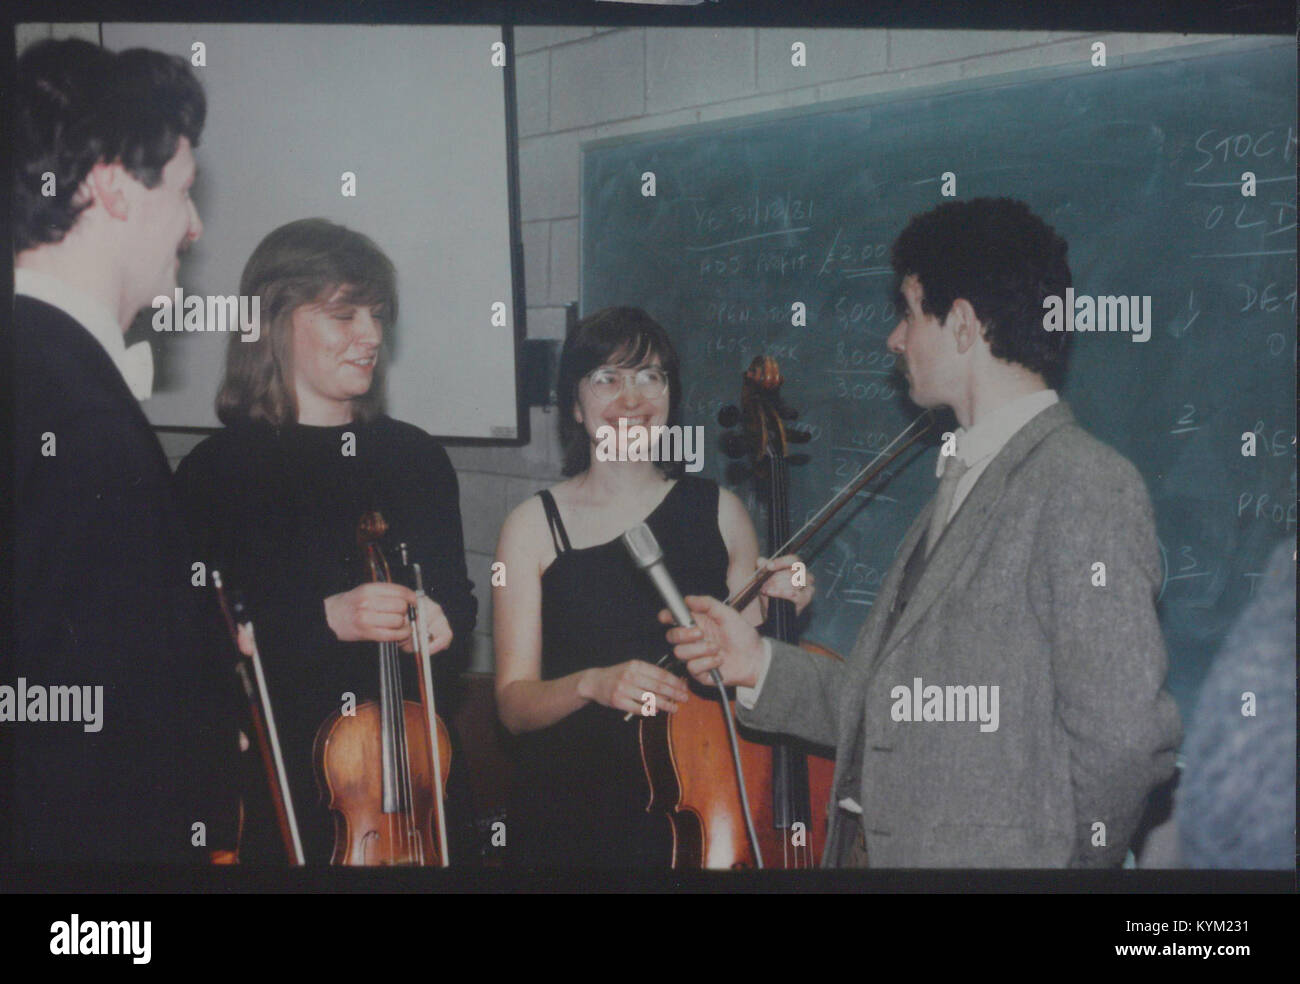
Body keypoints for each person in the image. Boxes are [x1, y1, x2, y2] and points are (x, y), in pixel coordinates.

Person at [665, 198, 1183, 868]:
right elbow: (895, 709)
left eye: (909, 311)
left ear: (963, 324)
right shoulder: (968, 472)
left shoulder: (1084, 485)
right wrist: (754, 664)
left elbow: (1124, 742)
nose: (895, 338)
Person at [173, 218, 478, 864]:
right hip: (282, 807)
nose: (371, 336)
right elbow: (190, 648)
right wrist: (325, 619)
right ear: (276, 323)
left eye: (376, 315)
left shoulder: (415, 459)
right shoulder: (215, 473)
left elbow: (459, 604)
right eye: (344, 316)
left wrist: (441, 623)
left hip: (414, 802)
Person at [11, 39, 237, 861]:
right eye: (181, 189)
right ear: (112, 184)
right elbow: (80, 753)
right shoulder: (74, 414)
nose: (195, 225)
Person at [492, 307, 811, 867]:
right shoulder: (531, 527)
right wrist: (591, 684)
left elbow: (750, 660)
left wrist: (784, 601)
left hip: (703, 809)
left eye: (650, 377)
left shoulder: (719, 511)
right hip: (570, 821)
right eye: (606, 379)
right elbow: (514, 706)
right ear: (574, 404)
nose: (632, 399)